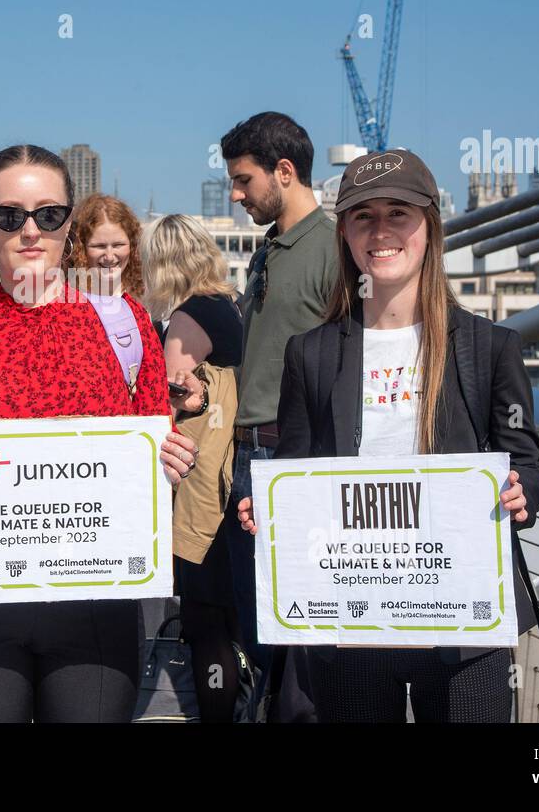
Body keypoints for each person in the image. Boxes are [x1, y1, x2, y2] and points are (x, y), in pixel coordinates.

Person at [0, 144, 201, 723]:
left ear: (69, 221)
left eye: (48, 214)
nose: (30, 231)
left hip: (96, 606)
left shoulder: (126, 327)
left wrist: (170, 463)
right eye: (9, 215)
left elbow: (147, 473)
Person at [237, 150, 539, 723]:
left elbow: (529, 463)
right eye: (363, 216)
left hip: (462, 620)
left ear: (430, 225)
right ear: (346, 235)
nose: (381, 232)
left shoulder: (488, 348)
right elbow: (293, 466)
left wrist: (521, 489)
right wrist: (265, 504)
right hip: (353, 615)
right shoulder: (310, 353)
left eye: (398, 213)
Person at [222, 111, 338, 721]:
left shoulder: (333, 249)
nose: (236, 195)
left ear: (284, 172)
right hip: (250, 454)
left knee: (298, 627)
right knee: (259, 627)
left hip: (293, 459)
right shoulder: (272, 247)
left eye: (243, 181)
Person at [141, 214, 245, 722]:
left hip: (202, 491)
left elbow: (169, 403)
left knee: (206, 625)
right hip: (232, 480)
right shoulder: (229, 308)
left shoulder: (186, 319)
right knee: (228, 619)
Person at [69, 193, 145, 299]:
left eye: (118, 245)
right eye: (99, 246)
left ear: (132, 245)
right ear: (81, 248)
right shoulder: (69, 300)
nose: (109, 257)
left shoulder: (148, 299)